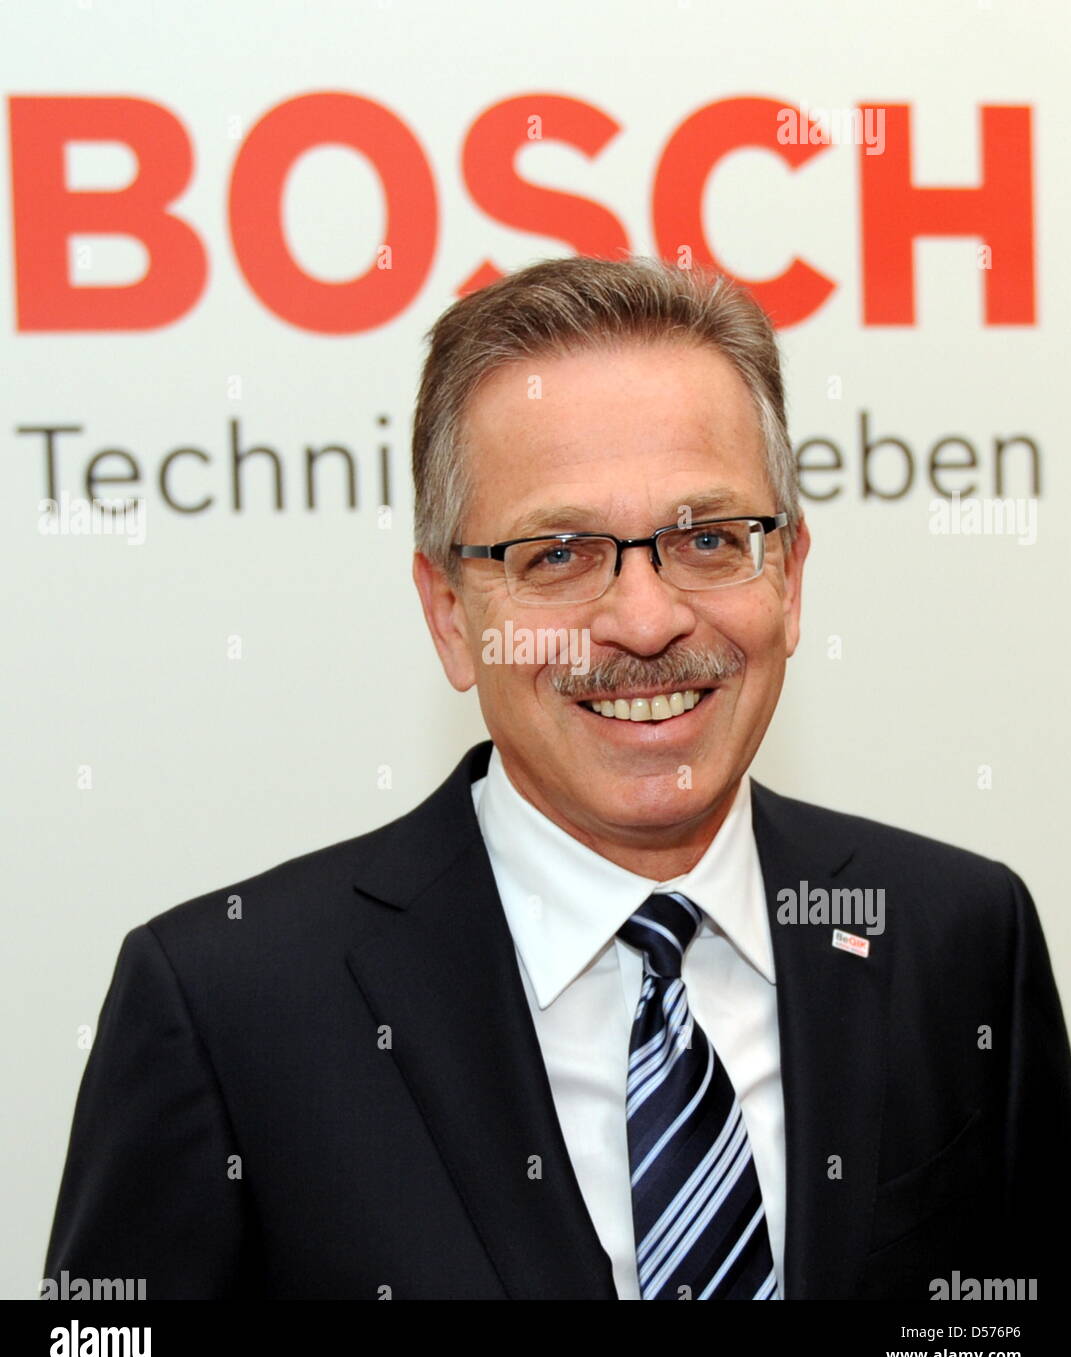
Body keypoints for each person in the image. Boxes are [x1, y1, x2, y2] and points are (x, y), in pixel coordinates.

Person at [44, 255, 1071, 1300]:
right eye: (560, 555)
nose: (645, 620)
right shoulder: (226, 1009)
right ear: (451, 615)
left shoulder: (958, 937)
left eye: (709, 538)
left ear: (792, 577)